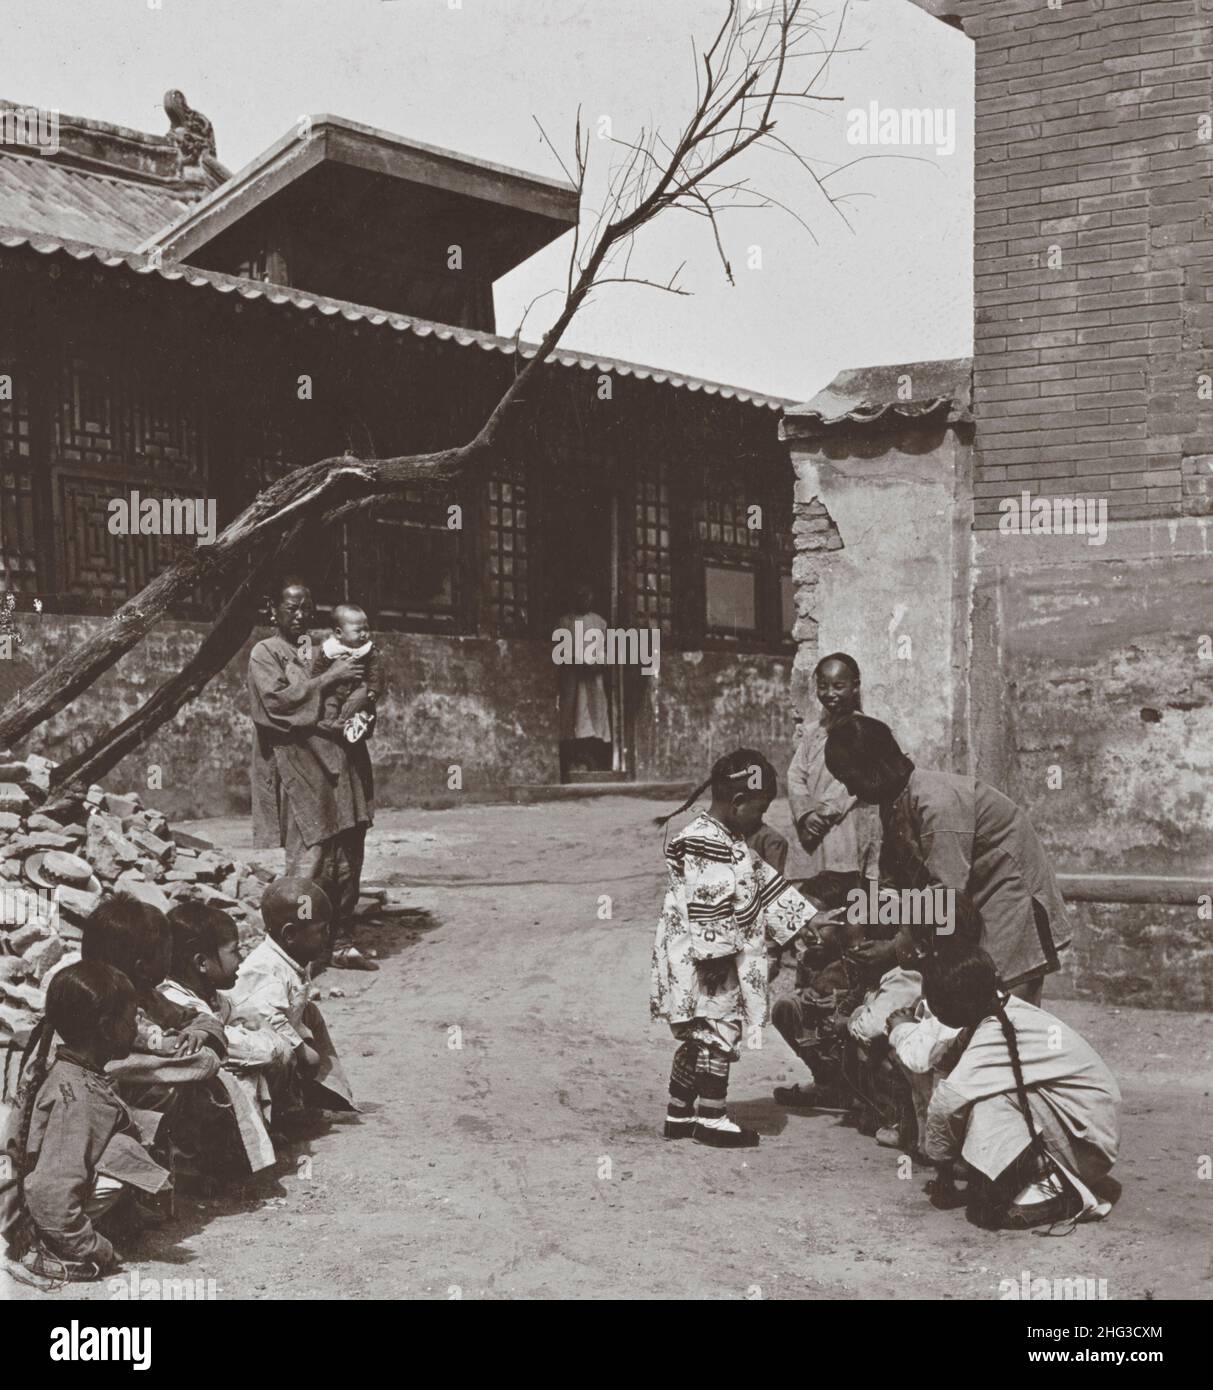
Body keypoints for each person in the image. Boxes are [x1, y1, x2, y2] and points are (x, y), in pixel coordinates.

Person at [650, 749, 838, 1148]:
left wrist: (805, 919)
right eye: (760, 808)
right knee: (719, 1032)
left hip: (706, 958)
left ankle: (679, 1113)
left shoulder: (728, 840)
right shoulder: (705, 843)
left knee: (700, 1035)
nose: (762, 818)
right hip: (708, 961)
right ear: (738, 804)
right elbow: (706, 904)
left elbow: (765, 882)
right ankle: (712, 1117)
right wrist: (715, 959)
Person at [824, 714, 1070, 1004]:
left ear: (874, 769)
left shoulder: (938, 802)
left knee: (1006, 1006)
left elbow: (946, 896)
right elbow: (896, 882)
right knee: (973, 1005)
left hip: (1011, 899)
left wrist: (893, 950)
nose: (852, 792)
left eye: (851, 780)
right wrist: (868, 922)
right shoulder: (893, 802)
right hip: (973, 897)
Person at [921, 945, 1120, 1230]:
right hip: (1083, 1126)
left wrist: (941, 1166)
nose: (935, 1010)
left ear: (959, 1004)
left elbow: (947, 1101)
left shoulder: (1000, 1028)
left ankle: (1060, 1189)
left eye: (938, 1004)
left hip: (1089, 1143)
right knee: (982, 1095)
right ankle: (1030, 1173)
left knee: (986, 1102)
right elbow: (945, 1061)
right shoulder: (994, 1010)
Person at [80, 895, 270, 1188]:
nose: (172, 962)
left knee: (204, 1071)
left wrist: (199, 1033)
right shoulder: (103, 1004)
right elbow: (152, 1044)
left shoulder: (151, 996)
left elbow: (197, 1019)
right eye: (167, 954)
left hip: (150, 1077)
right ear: (144, 966)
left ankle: (188, 1162)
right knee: (200, 1070)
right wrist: (180, 1048)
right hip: (111, 1087)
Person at [0, 961, 170, 1282]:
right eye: (132, 1015)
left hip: (23, 1193)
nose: (139, 1022)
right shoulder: (77, 1098)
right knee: (118, 1155)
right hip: (31, 1215)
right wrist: (93, 1246)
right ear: (106, 1028)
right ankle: (50, 1248)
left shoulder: (70, 1070)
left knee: (129, 1134)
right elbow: (48, 1192)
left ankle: (109, 1219)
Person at [248, 577, 378, 970]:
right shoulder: (265, 653)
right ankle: (296, 951)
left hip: (344, 762)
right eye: (292, 608)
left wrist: (363, 711)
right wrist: (329, 680)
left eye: (307, 607)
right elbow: (275, 705)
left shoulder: (324, 648)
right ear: (274, 610)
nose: (301, 615)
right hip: (300, 766)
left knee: (348, 858)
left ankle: (340, 942)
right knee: (311, 858)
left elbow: (363, 684)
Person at [159, 903, 291, 1168]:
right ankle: (227, 1160)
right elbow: (248, 1047)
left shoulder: (215, 998)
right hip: (187, 1097)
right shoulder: (178, 1003)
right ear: (201, 963)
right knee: (243, 1072)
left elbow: (242, 1023)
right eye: (234, 951)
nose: (241, 959)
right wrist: (271, 1038)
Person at [228, 878, 355, 1116]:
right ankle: (282, 1113)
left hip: (283, 1024)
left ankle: (326, 1090)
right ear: (290, 935)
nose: (327, 936)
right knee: (283, 1053)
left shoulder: (294, 956)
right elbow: (267, 1017)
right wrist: (301, 1049)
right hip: (255, 1038)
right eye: (321, 931)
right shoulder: (265, 969)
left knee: (311, 1015)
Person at [786, 653, 882, 908]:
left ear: (855, 686)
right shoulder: (812, 733)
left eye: (839, 686)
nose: (830, 693)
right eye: (823, 686)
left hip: (848, 821)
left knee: (848, 888)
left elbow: (855, 779)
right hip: (811, 826)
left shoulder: (866, 730)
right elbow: (795, 775)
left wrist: (825, 813)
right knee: (811, 888)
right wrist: (806, 814)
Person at [556, 584, 612, 779]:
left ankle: (593, 757)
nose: (584, 600)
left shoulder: (600, 622)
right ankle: (573, 760)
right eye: (580, 596)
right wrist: (575, 664)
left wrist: (598, 664)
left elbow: (605, 651)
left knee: (595, 714)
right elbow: (560, 651)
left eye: (587, 596)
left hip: (593, 678)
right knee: (573, 715)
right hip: (573, 677)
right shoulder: (564, 622)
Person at [312, 602, 385, 745]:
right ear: (339, 633)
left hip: (357, 687)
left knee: (360, 698)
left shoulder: (368, 649)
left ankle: (350, 724)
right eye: (358, 631)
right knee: (329, 705)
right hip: (334, 689)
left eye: (366, 629)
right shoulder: (330, 649)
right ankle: (338, 726)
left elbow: (376, 669)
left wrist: (374, 689)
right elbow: (319, 668)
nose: (364, 634)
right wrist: (316, 683)